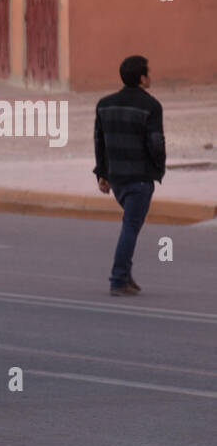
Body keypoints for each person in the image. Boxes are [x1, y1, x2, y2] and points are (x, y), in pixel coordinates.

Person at [94, 55, 166, 296]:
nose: (150, 77)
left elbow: (99, 142)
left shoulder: (105, 104)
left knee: (130, 225)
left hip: (117, 179)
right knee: (131, 227)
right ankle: (118, 279)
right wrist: (158, 168)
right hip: (139, 178)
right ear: (142, 78)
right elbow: (156, 143)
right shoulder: (151, 106)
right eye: (148, 73)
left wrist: (102, 173)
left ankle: (125, 273)